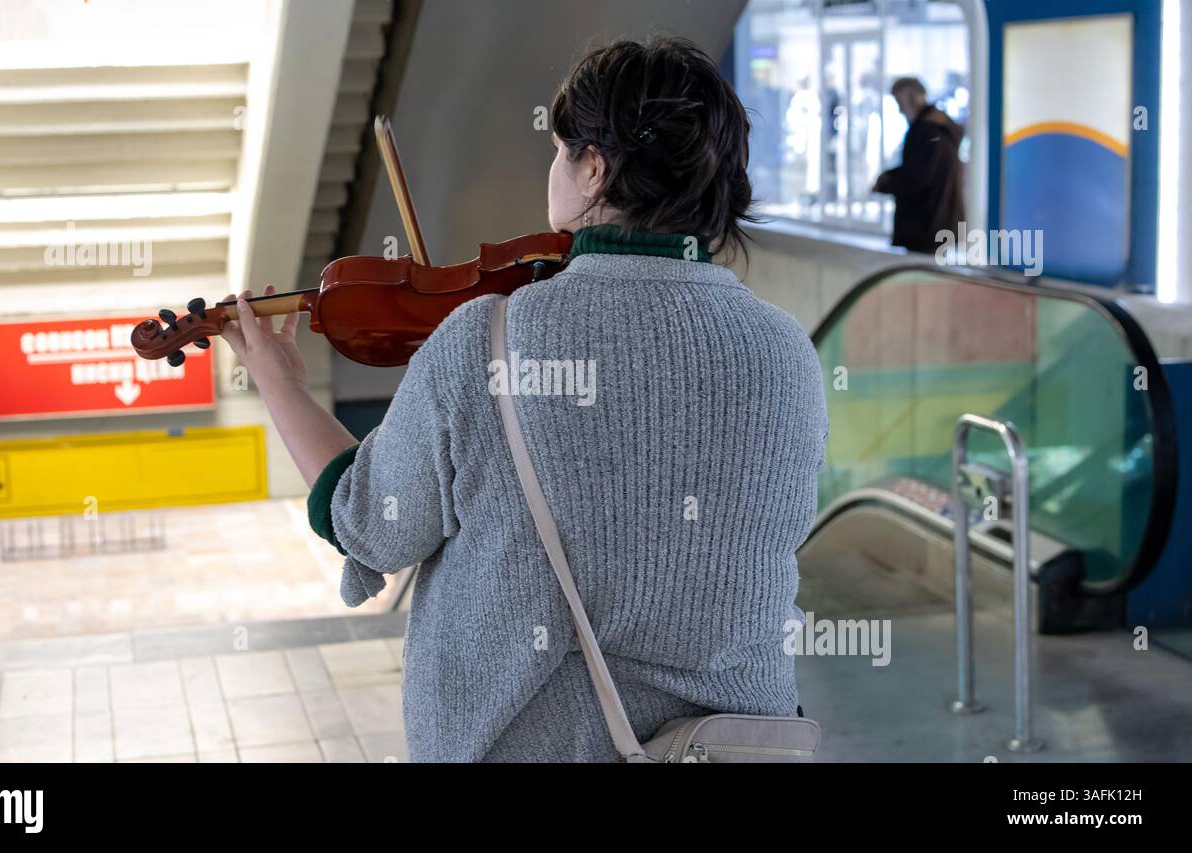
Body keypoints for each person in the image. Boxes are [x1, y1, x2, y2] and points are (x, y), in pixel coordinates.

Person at [220, 37, 828, 762]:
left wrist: (279, 377)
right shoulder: (787, 352)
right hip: (727, 748)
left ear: (595, 168)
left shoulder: (492, 337)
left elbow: (367, 522)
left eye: (560, 149)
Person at [872, 76, 965, 254]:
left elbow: (918, 177)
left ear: (912, 98)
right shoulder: (936, 126)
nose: (900, 110)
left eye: (900, 102)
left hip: (927, 225)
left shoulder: (928, 130)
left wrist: (886, 182)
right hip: (936, 223)